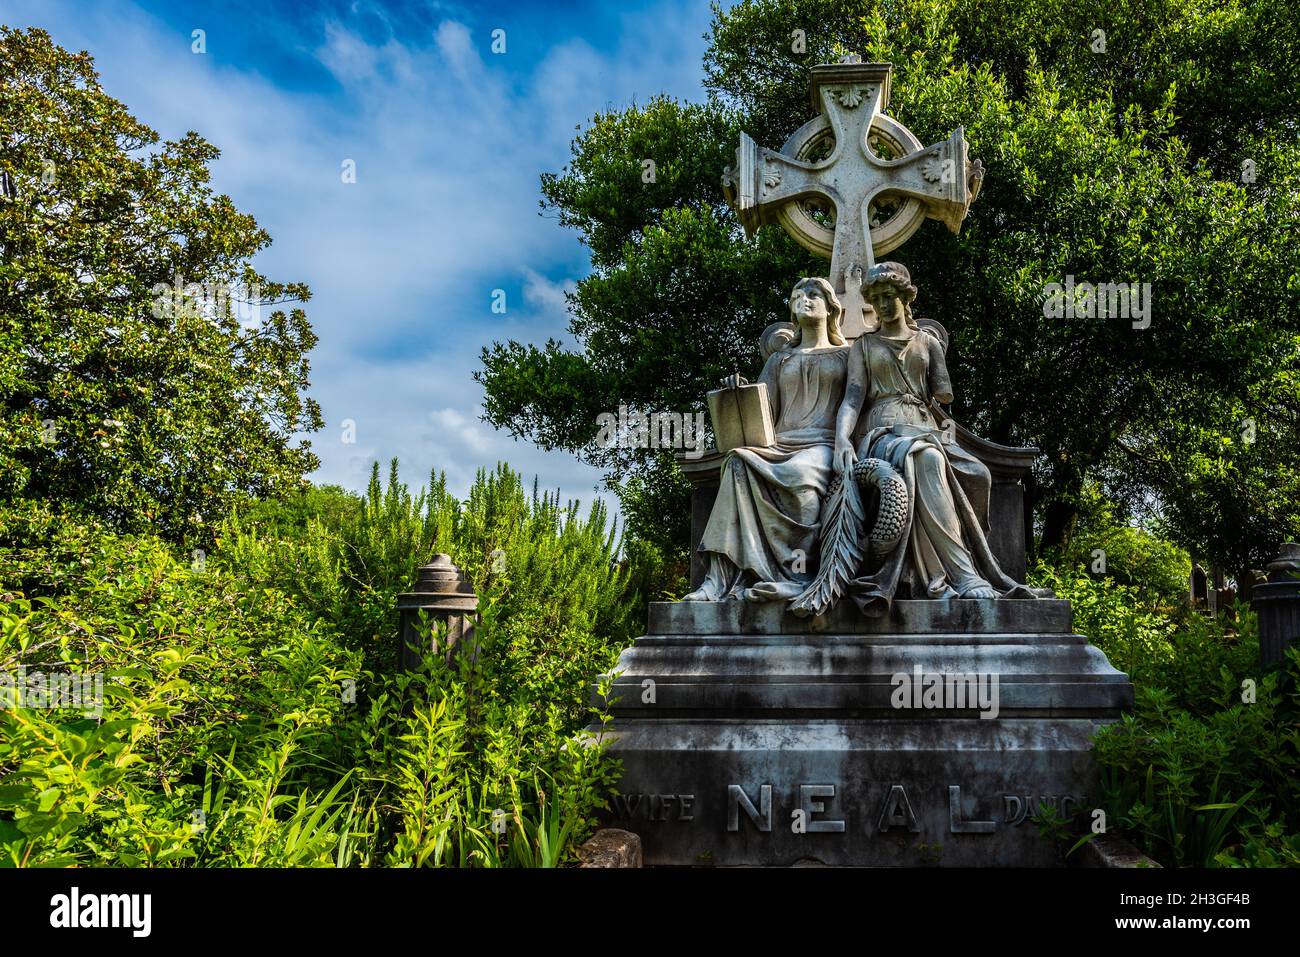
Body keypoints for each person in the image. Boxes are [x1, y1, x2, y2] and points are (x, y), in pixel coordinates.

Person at [822, 261, 1043, 616]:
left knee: (978, 474)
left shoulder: (927, 342)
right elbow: (852, 398)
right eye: (875, 298)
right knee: (926, 459)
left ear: (907, 297)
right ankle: (961, 574)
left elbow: (943, 395)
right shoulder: (863, 347)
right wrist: (841, 441)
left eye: (889, 296)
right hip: (883, 431)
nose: (881, 304)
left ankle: (961, 562)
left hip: (925, 427)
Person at [683, 277, 849, 602]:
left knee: (801, 474)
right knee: (736, 462)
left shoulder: (848, 355)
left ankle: (799, 576)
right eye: (797, 295)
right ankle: (718, 579)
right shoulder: (779, 360)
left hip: (823, 445)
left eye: (813, 294)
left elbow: (857, 406)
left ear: (831, 307)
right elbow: (762, 410)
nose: (805, 299)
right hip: (780, 444)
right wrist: (738, 390)